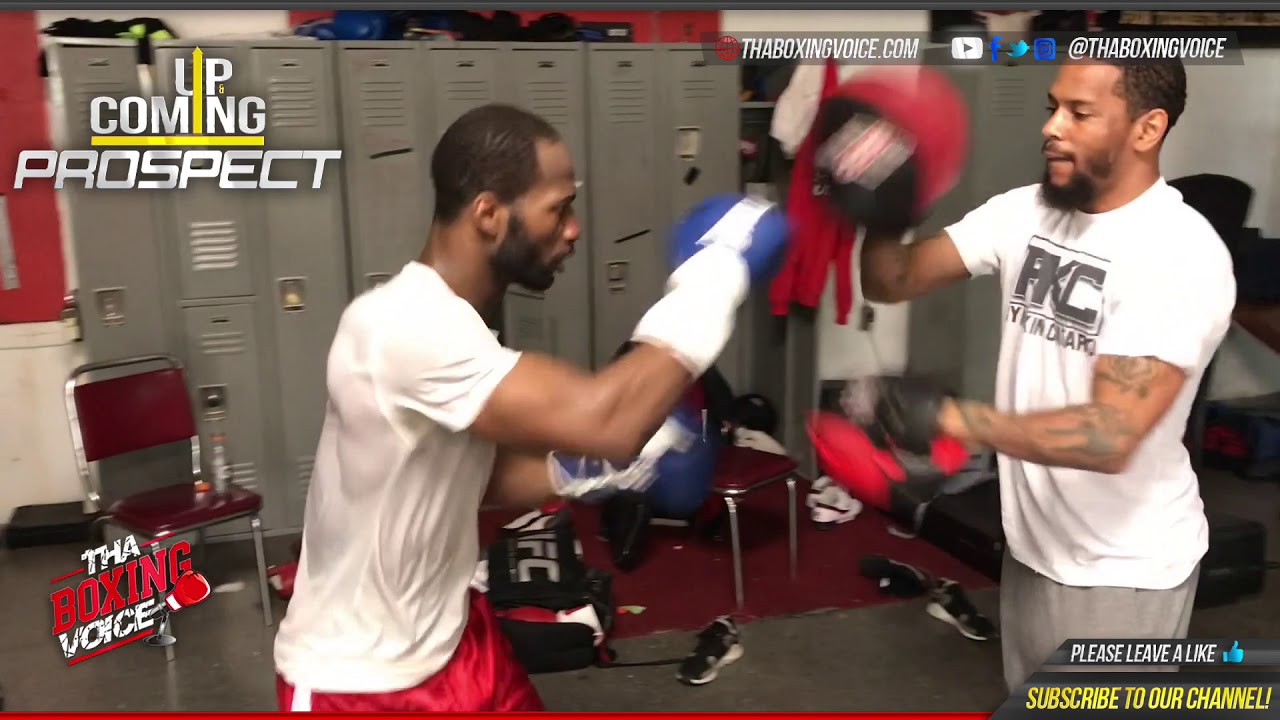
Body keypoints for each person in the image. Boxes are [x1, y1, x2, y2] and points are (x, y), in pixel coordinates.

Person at [272, 104, 786, 711]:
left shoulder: (456, 327)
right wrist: (717, 271)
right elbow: (610, 419)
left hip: (455, 637)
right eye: (558, 207)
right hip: (358, 680)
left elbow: (475, 475)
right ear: (489, 214)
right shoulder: (403, 325)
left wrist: (587, 471)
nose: (573, 228)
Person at [852, 58, 1234, 690]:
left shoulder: (1178, 254)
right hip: (1034, 547)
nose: (1052, 127)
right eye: (1052, 107)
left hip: (1121, 569)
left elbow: (1108, 435)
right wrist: (884, 206)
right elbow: (892, 280)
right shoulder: (1024, 212)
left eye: (1080, 114)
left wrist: (947, 418)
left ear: (1147, 129)